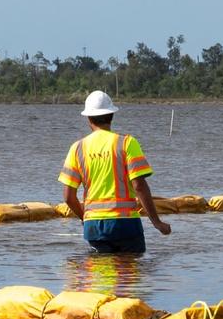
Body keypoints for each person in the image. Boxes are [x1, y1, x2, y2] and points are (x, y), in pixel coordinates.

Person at [59, 91, 172, 254]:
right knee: (128, 274)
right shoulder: (127, 143)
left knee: (99, 275)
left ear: (88, 119)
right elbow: (139, 186)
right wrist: (156, 222)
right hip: (126, 225)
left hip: (94, 227)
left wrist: (85, 217)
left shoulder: (77, 148)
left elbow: (68, 197)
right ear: (111, 115)